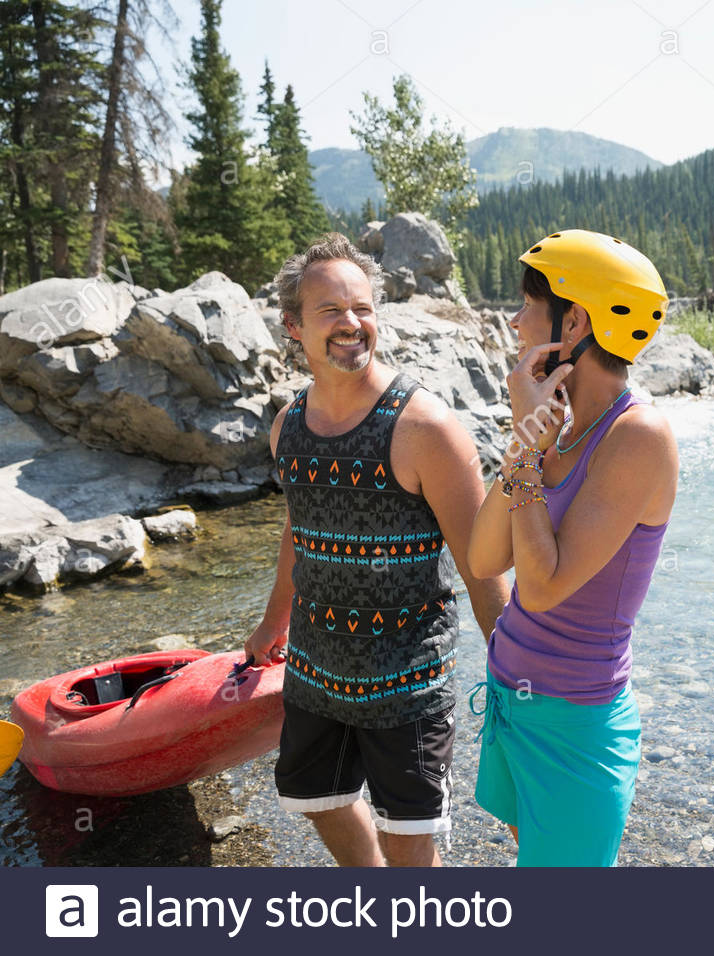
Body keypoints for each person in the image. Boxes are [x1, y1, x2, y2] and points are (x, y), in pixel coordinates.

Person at [244, 233, 510, 867]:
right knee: (317, 798)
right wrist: (271, 622)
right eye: (331, 310)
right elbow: (297, 531)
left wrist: (520, 671)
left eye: (361, 307)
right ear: (293, 326)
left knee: (409, 838)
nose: (351, 323)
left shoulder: (425, 427)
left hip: (406, 680)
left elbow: (480, 562)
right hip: (315, 671)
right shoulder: (288, 426)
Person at [467, 229, 679, 866]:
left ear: (575, 320)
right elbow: (482, 560)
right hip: (513, 699)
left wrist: (527, 450)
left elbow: (541, 585)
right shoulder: (558, 427)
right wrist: (529, 435)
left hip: (574, 728)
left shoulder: (638, 436)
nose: (512, 319)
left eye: (528, 302)